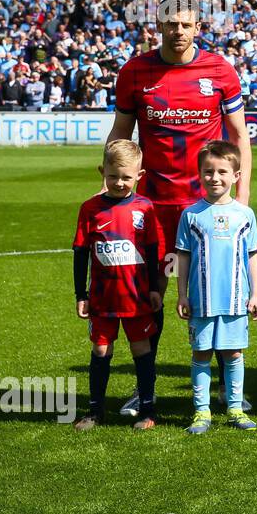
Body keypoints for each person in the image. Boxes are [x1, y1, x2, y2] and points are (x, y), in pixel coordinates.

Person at [108, 5, 252, 418]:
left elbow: (239, 137)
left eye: (186, 24)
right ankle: (145, 391)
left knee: (220, 295)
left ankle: (231, 391)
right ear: (159, 27)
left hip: (208, 208)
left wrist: (240, 198)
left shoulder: (220, 71)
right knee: (147, 299)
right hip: (151, 208)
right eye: (170, 24)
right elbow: (121, 134)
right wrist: (111, 191)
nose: (178, 31)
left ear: (197, 28)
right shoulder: (134, 72)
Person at [72, 140, 165, 431]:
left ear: (140, 175)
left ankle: (147, 410)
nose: (119, 182)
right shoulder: (90, 209)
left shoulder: (145, 208)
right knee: (101, 351)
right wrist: (81, 294)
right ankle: (95, 411)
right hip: (102, 298)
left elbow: (152, 252)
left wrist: (154, 289)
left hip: (136, 297)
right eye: (113, 176)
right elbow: (80, 253)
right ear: (103, 171)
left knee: (141, 349)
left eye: (126, 177)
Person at [175, 141, 257, 435]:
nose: (215, 177)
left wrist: (256, 294)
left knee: (233, 355)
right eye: (208, 172)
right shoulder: (191, 215)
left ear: (236, 176)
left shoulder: (244, 214)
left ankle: (235, 407)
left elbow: (252, 256)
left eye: (222, 171)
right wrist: (182, 294)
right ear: (200, 174)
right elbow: (184, 257)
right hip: (202, 301)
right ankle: (202, 412)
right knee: (201, 355)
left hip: (236, 301)